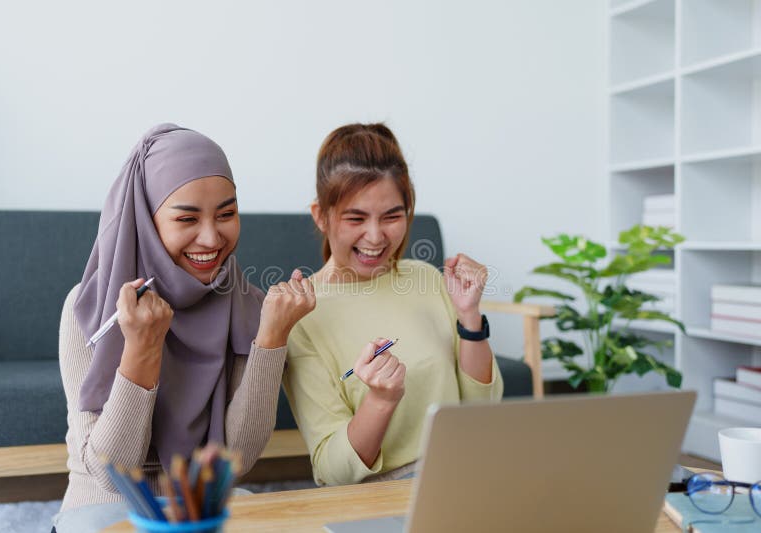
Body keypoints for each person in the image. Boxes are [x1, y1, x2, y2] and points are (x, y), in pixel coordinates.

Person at [52, 124, 315, 533]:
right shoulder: (89, 308)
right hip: (107, 508)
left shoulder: (243, 303)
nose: (211, 238)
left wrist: (271, 339)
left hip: (203, 508)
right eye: (187, 218)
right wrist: (141, 349)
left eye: (226, 214)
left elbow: (238, 459)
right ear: (145, 221)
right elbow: (112, 472)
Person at [283, 123, 503, 487]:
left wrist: (469, 316)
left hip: (464, 472)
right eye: (356, 218)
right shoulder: (303, 314)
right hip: (378, 496)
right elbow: (332, 472)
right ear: (321, 216)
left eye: (391, 216)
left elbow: (482, 411)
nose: (375, 236)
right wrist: (381, 401)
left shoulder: (426, 278)